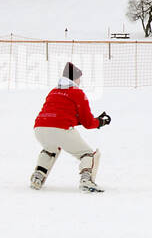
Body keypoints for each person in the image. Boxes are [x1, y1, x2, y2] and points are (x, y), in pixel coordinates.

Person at [31, 62, 110, 193]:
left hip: (40, 128)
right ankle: (86, 180)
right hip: (60, 129)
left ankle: (38, 176)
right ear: (74, 79)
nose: (80, 81)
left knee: (50, 150)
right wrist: (100, 122)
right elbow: (88, 123)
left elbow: (59, 115)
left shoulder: (54, 91)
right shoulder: (77, 93)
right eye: (79, 78)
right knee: (88, 154)